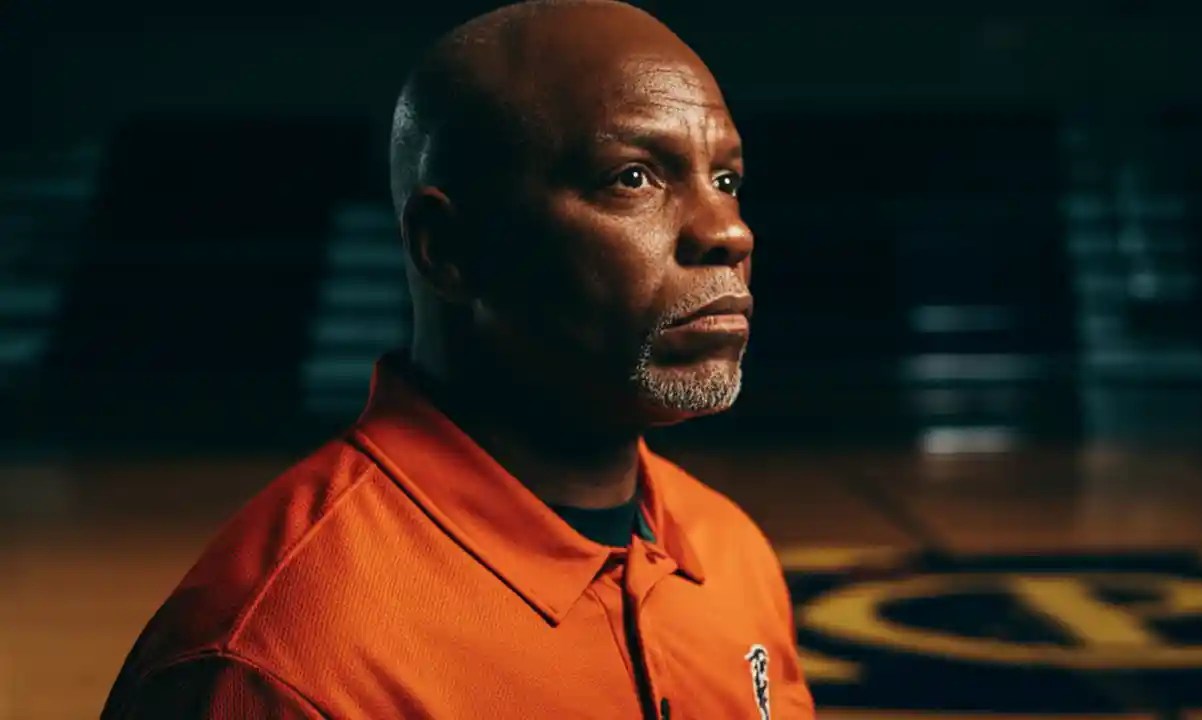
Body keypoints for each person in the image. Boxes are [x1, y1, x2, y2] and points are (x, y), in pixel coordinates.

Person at [102, 1, 815, 717]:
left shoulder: (734, 553)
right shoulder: (275, 664)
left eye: (726, 181)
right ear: (446, 247)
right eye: (632, 178)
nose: (728, 231)